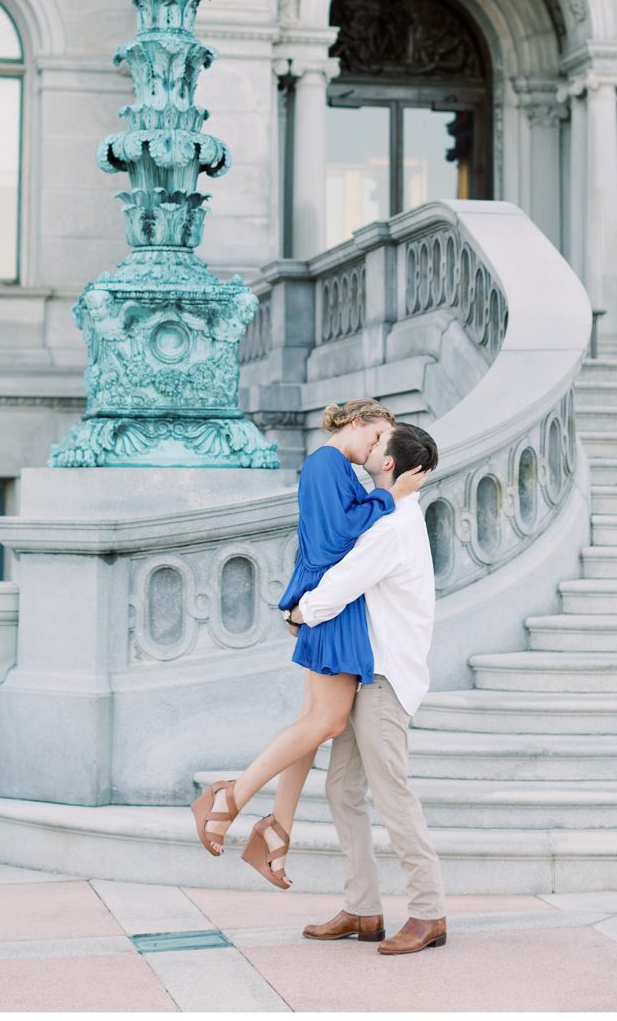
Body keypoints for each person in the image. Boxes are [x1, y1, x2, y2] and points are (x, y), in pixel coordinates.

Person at [190, 399, 429, 887]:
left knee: (313, 724)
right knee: (327, 719)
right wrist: (388, 496)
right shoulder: (326, 462)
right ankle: (229, 798)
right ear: (358, 423)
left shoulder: (340, 469)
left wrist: (380, 497)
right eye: (378, 435)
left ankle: (276, 834)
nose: (378, 448)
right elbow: (336, 537)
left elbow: (341, 534)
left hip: (334, 606)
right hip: (333, 607)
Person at [286, 422, 447, 956]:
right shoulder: (392, 514)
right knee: (342, 790)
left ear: (389, 466)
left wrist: (301, 611)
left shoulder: (393, 524)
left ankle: (428, 913)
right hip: (366, 673)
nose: (370, 445)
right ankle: (362, 908)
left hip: (383, 678)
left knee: (392, 793)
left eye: (379, 443)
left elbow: (344, 580)